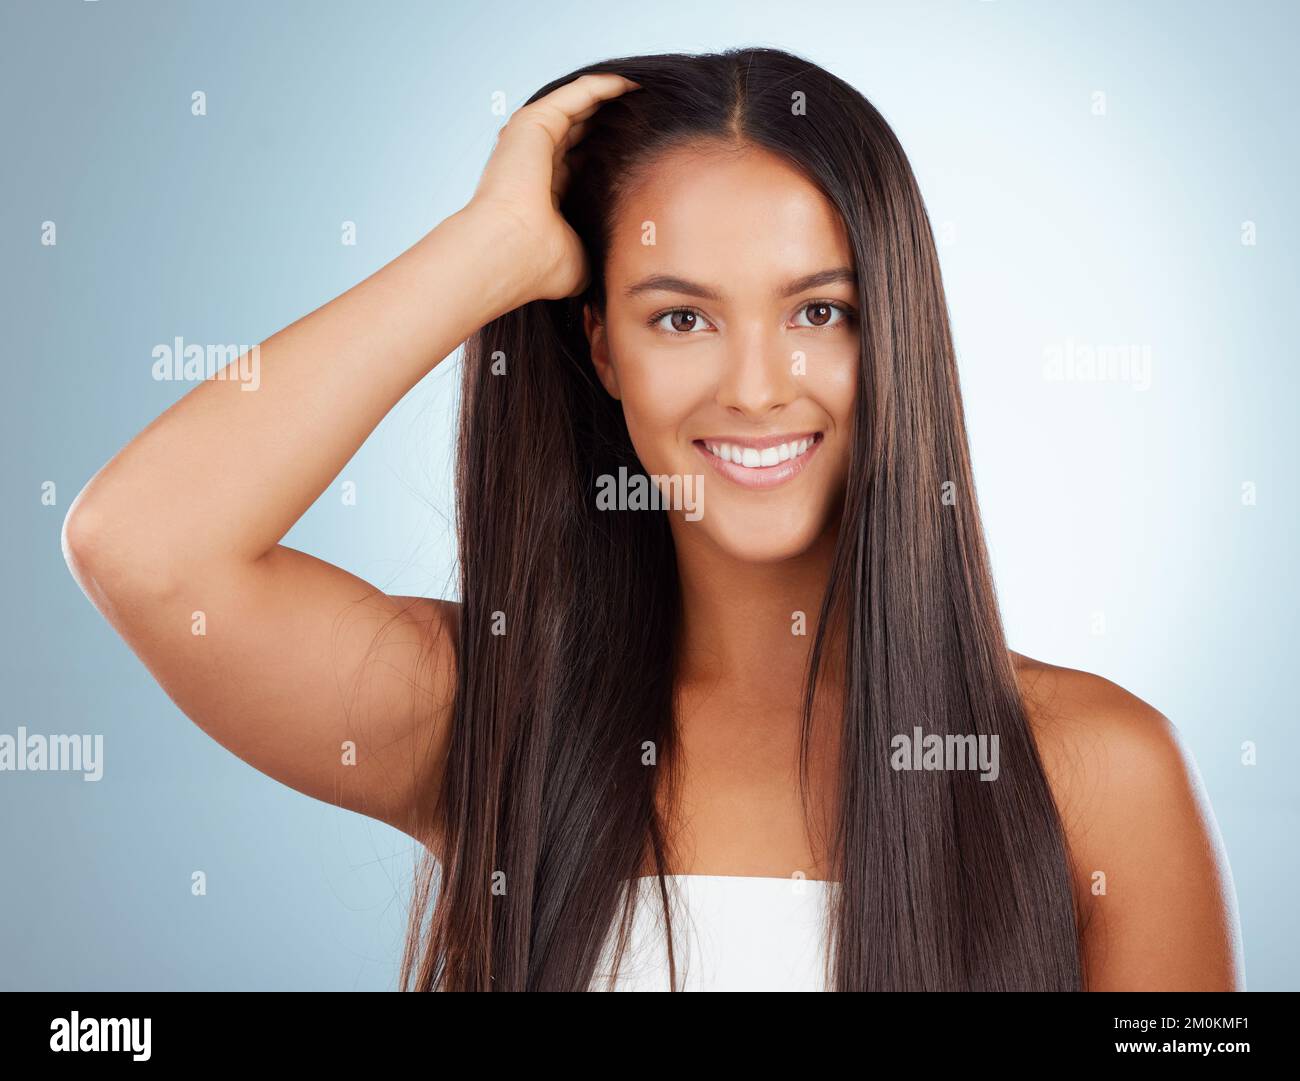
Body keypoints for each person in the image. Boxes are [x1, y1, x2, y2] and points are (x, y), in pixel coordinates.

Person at [62, 47, 1244, 991]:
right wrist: (491, 252)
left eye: (819, 312)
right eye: (680, 319)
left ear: (896, 332)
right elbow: (144, 548)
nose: (754, 385)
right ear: (601, 350)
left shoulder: (1094, 769)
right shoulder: (486, 714)